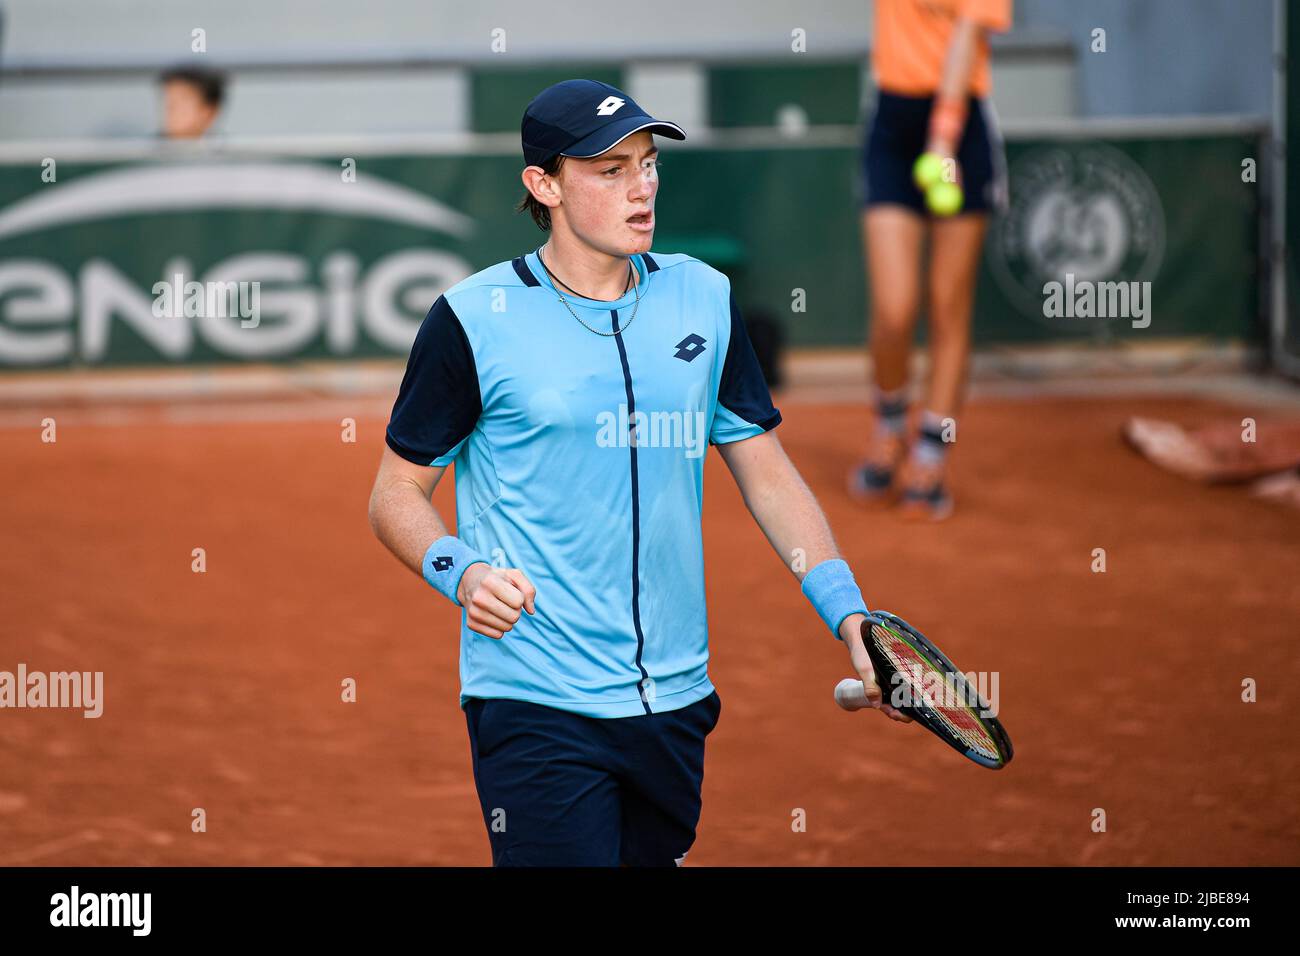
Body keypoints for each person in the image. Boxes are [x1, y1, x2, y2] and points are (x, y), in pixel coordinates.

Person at [368, 79, 910, 868]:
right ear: (543, 185)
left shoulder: (705, 299)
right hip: (535, 696)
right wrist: (460, 570)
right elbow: (395, 491)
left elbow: (767, 473)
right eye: (610, 170)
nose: (643, 187)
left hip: (677, 698)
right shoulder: (471, 319)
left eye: (648, 163)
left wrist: (850, 614)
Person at [849, 0, 1013, 520]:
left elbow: (965, 40)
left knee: (948, 308)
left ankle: (930, 452)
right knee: (894, 310)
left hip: (959, 129)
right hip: (893, 128)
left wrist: (943, 140)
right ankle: (890, 422)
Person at [158, 66, 225, 140]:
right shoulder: (150, 149)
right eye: (168, 100)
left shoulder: (228, 149)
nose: (170, 108)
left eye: (181, 101)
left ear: (209, 112)